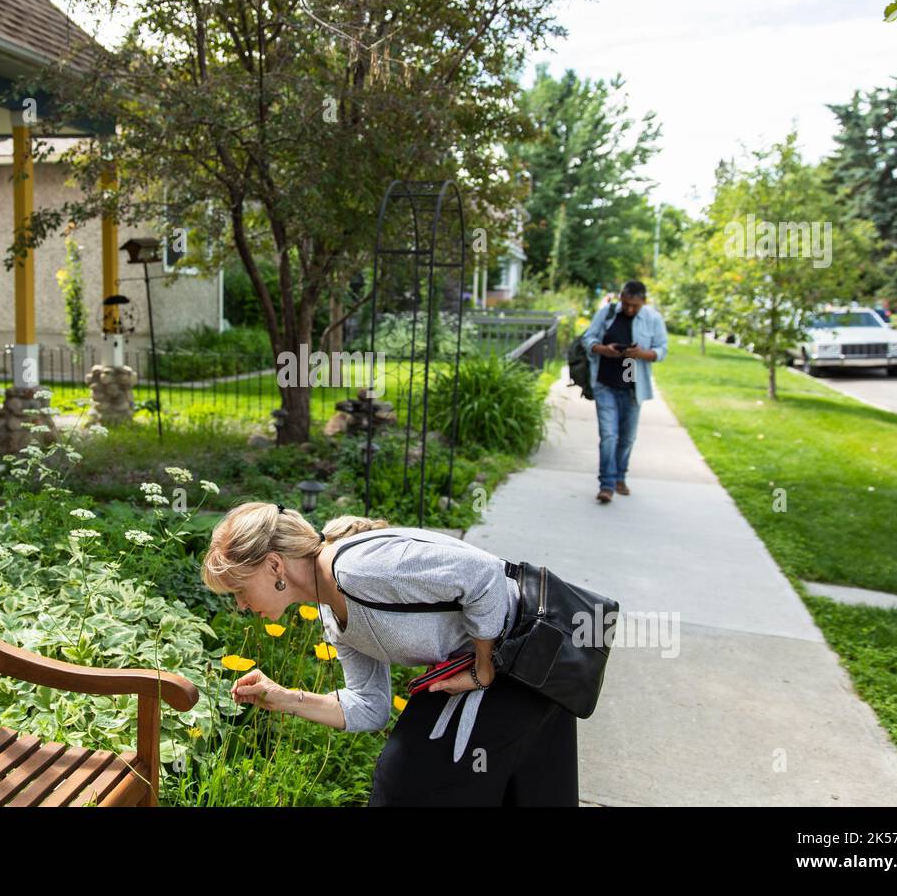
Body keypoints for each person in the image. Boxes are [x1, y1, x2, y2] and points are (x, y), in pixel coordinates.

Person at [200, 502, 579, 806]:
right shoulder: (334, 614)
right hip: (490, 673)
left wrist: (484, 668)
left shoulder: (359, 570)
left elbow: (485, 577)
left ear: (273, 565)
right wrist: (285, 699)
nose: (241, 606)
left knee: (406, 782)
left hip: (525, 660)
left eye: (238, 590)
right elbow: (370, 706)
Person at [581, 279, 668, 503]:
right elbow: (588, 338)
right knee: (609, 435)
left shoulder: (653, 318)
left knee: (627, 438)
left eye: (634, 306)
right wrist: (603, 349)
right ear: (621, 297)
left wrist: (641, 354)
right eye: (626, 303)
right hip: (605, 383)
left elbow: (662, 350)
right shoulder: (608, 313)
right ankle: (607, 485)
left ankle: (620, 476)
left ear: (644, 302)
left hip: (632, 386)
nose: (629, 309)